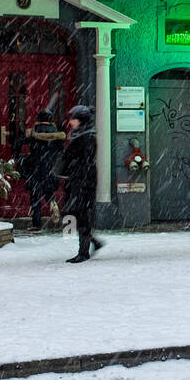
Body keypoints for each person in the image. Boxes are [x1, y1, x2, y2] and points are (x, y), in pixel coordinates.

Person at [62, 104, 103, 263]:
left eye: (73, 118)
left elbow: (84, 161)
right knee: (76, 213)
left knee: (81, 214)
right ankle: (92, 243)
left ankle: (84, 252)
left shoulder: (86, 137)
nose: (71, 122)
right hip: (78, 180)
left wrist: (79, 179)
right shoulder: (79, 135)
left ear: (81, 120)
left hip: (83, 181)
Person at [24, 109, 64, 230]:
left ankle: (36, 224)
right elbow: (60, 151)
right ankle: (52, 202)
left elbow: (24, 144)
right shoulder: (56, 133)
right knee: (48, 191)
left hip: (36, 167)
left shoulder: (34, 132)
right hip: (50, 167)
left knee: (35, 196)